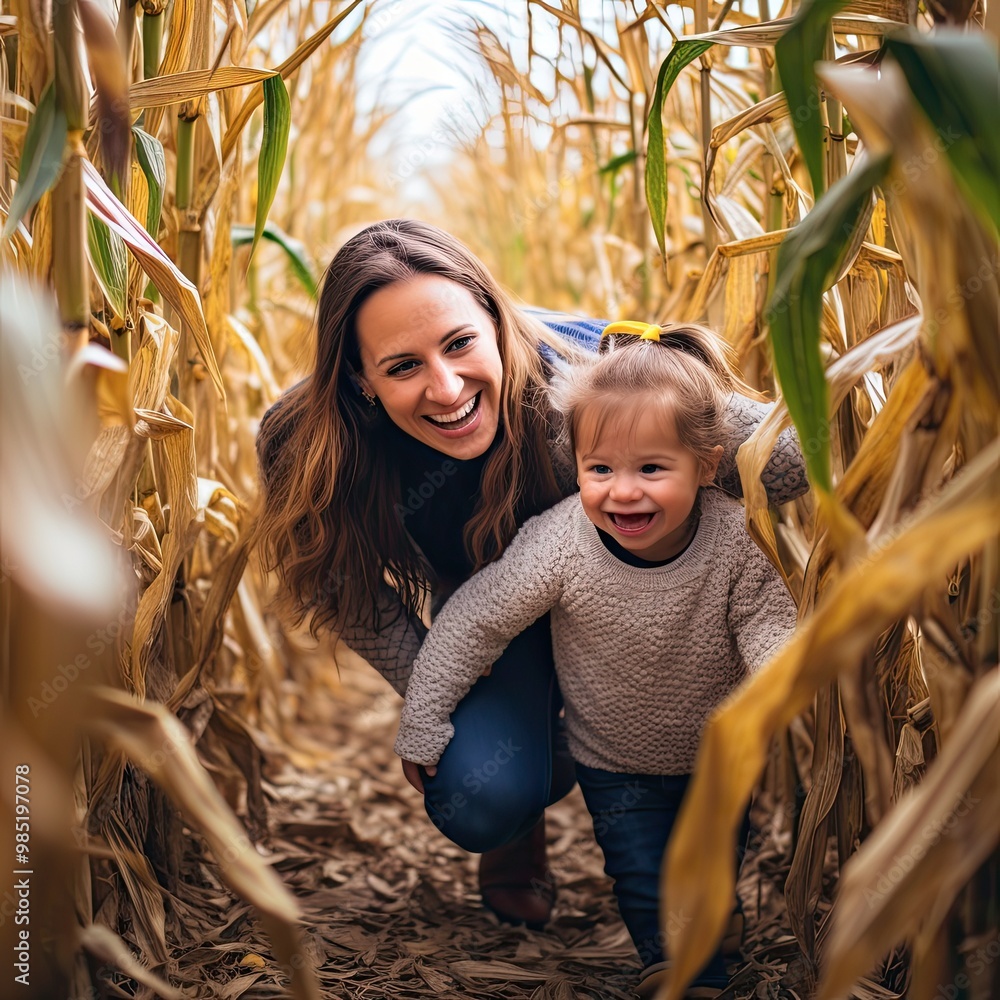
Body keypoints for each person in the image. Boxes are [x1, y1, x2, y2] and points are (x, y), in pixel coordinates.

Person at [253, 219, 807, 933]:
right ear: (361, 381)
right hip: (495, 619)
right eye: (402, 367)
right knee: (479, 794)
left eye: (459, 343)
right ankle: (522, 815)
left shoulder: (582, 374)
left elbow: (790, 462)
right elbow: (347, 596)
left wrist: (688, 414)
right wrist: (441, 694)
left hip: (643, 610)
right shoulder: (306, 442)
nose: (447, 388)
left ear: (495, 315)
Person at [394, 322, 799, 999]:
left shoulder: (734, 540)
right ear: (574, 464)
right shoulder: (559, 544)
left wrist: (779, 686)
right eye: (600, 469)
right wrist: (424, 717)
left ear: (706, 466)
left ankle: (705, 933)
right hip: (611, 757)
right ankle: (680, 972)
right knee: (641, 872)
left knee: (711, 865)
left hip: (717, 754)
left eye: (652, 469)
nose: (623, 492)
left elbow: (766, 622)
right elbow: (475, 618)